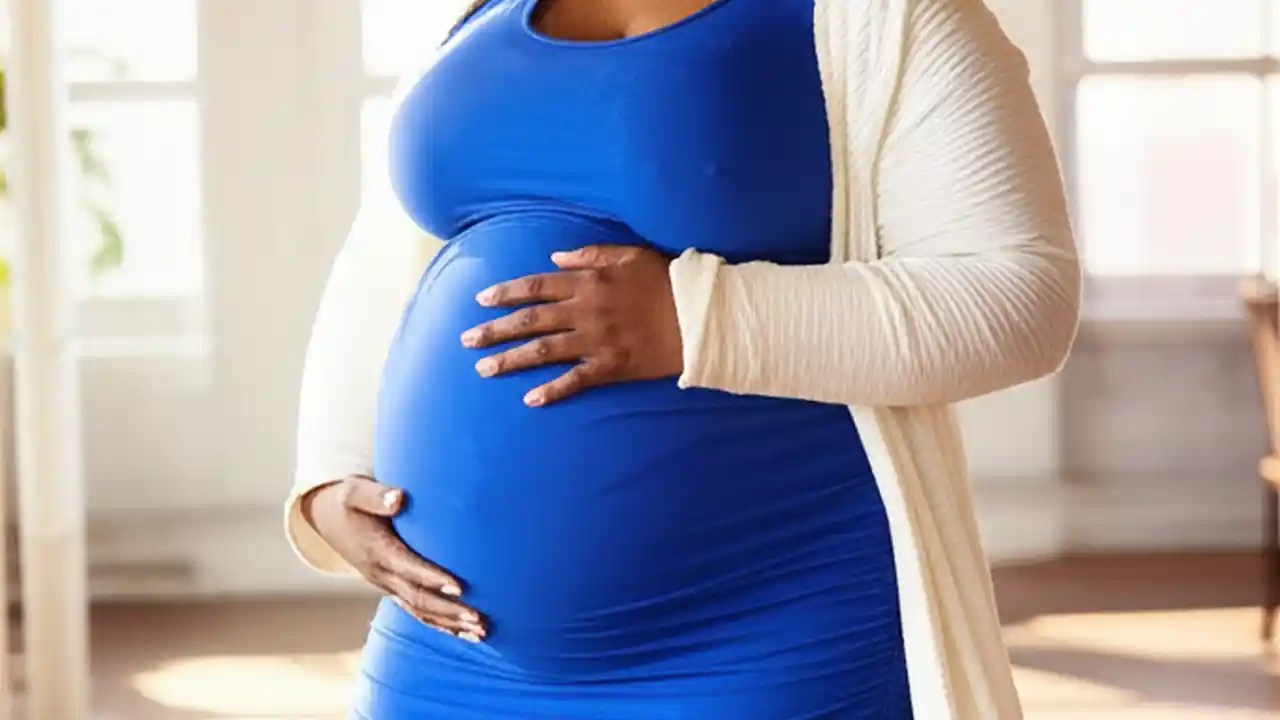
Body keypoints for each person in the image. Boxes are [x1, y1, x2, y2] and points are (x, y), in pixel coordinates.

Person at [285, 0, 1080, 717]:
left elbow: (1019, 296)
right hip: (449, 653)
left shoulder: (886, 16)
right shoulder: (476, 18)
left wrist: (695, 319)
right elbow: (382, 263)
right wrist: (328, 475)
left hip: (765, 643)